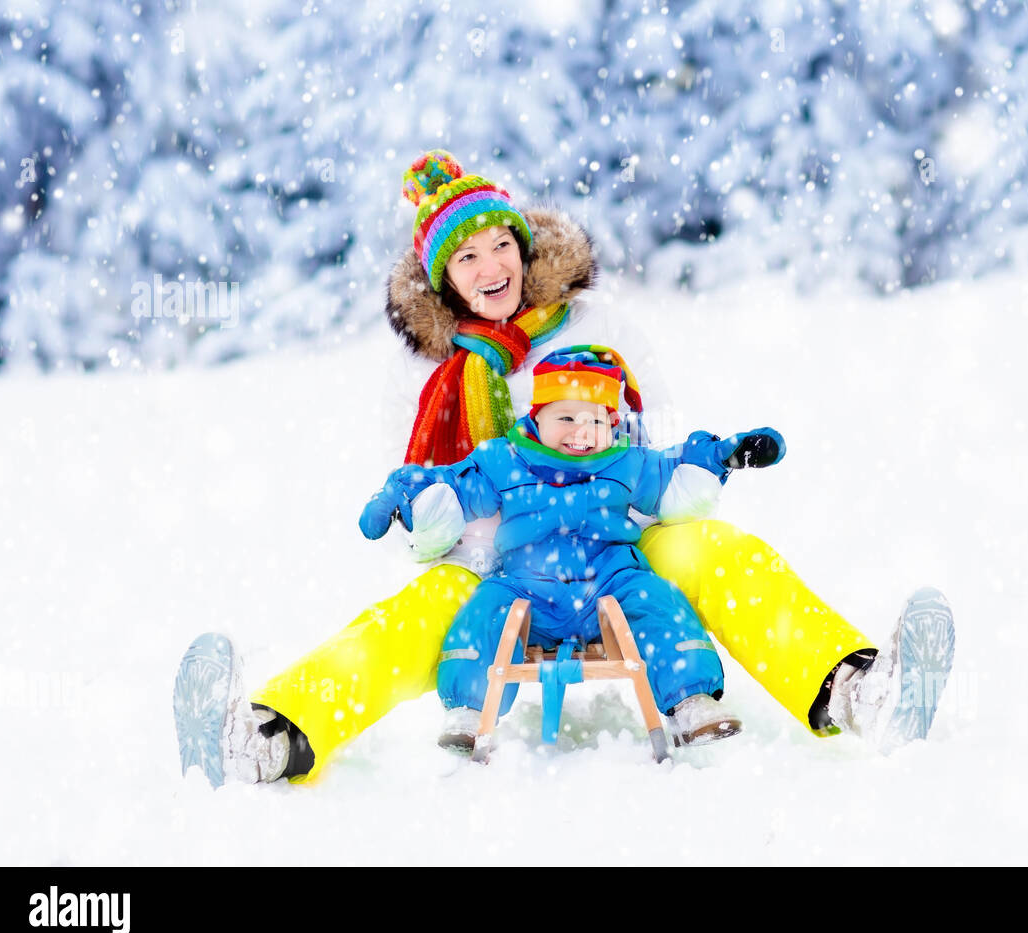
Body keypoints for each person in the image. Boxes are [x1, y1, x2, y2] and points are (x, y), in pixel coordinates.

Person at [174, 149, 951, 788]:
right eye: (467, 256)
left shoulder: (596, 329)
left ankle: (860, 693)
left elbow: (660, 434)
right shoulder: (428, 377)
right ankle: (270, 740)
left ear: (524, 246)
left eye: (501, 245)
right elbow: (415, 514)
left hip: (621, 544)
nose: (491, 268)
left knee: (721, 554)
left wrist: (616, 502)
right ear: (445, 278)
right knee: (408, 620)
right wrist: (494, 532)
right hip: (495, 564)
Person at [358, 345, 785, 749]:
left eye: (596, 421)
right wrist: (406, 497)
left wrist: (723, 458)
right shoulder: (504, 460)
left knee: (657, 602)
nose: (582, 432)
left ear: (611, 425)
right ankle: (469, 710)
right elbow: (454, 485)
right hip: (527, 585)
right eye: (566, 418)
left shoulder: (626, 461)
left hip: (612, 578)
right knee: (485, 610)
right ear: (537, 418)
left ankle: (691, 700)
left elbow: (673, 476)